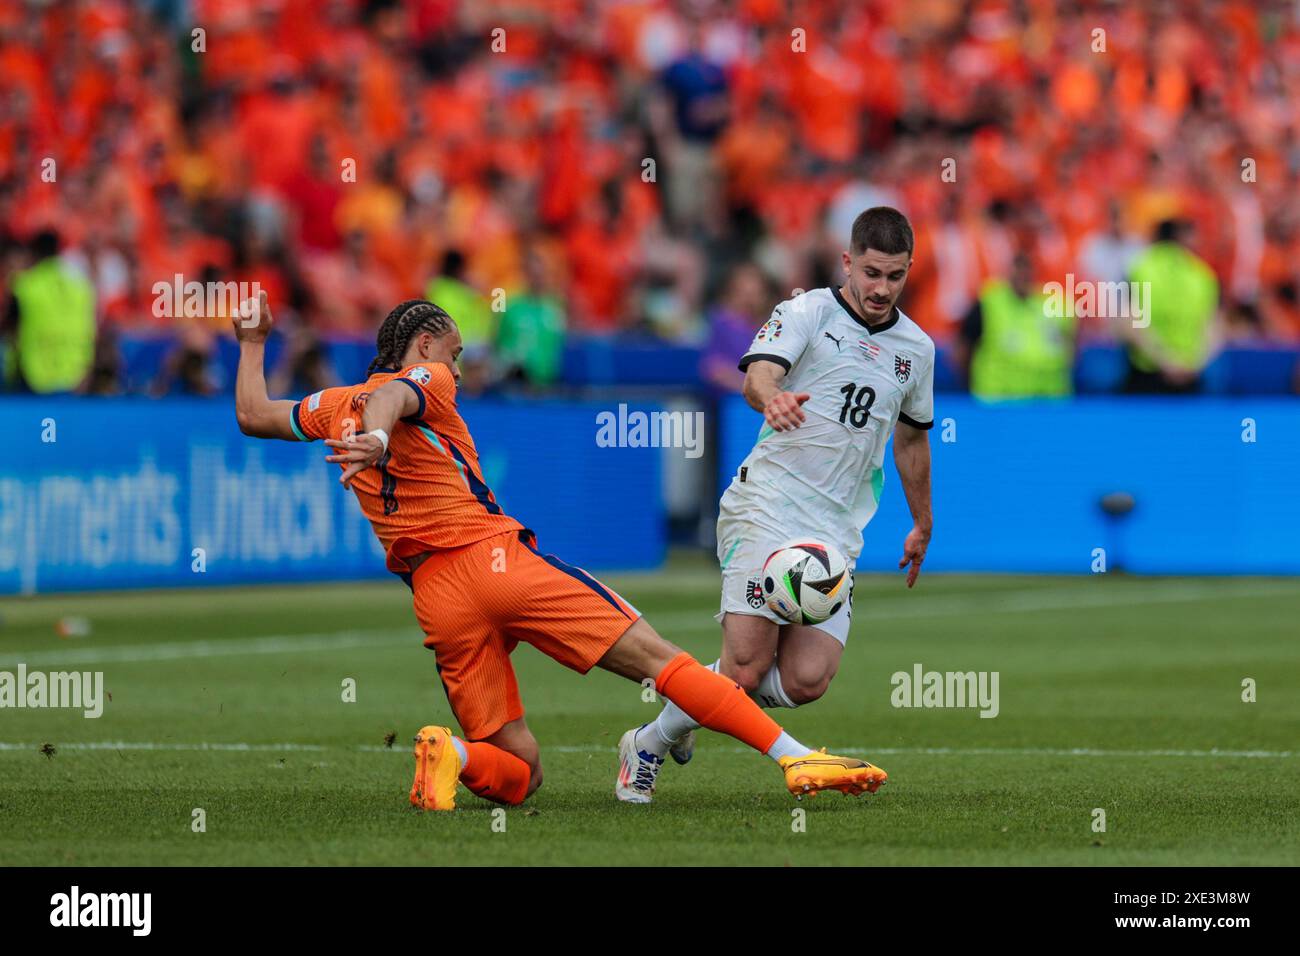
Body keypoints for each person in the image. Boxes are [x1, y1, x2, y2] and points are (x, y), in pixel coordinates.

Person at [231, 293, 885, 810]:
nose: (458, 368)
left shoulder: (333, 406)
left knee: (520, 771)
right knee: (662, 661)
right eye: (456, 352)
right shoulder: (423, 377)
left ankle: (452, 756)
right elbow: (394, 396)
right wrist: (378, 437)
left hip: (436, 602)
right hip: (493, 563)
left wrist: (253, 345)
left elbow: (255, 414)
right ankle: (794, 755)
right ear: (426, 343)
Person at [618, 207, 932, 801]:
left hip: (836, 530)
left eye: (894, 276)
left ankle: (681, 710)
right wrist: (772, 400)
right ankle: (649, 746)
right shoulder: (806, 311)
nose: (881, 288)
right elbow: (758, 375)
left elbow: (912, 438)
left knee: (807, 680)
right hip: (766, 505)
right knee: (743, 666)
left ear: (908, 271)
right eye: (871, 273)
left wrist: (922, 520)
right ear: (848, 262)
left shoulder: (916, 349)